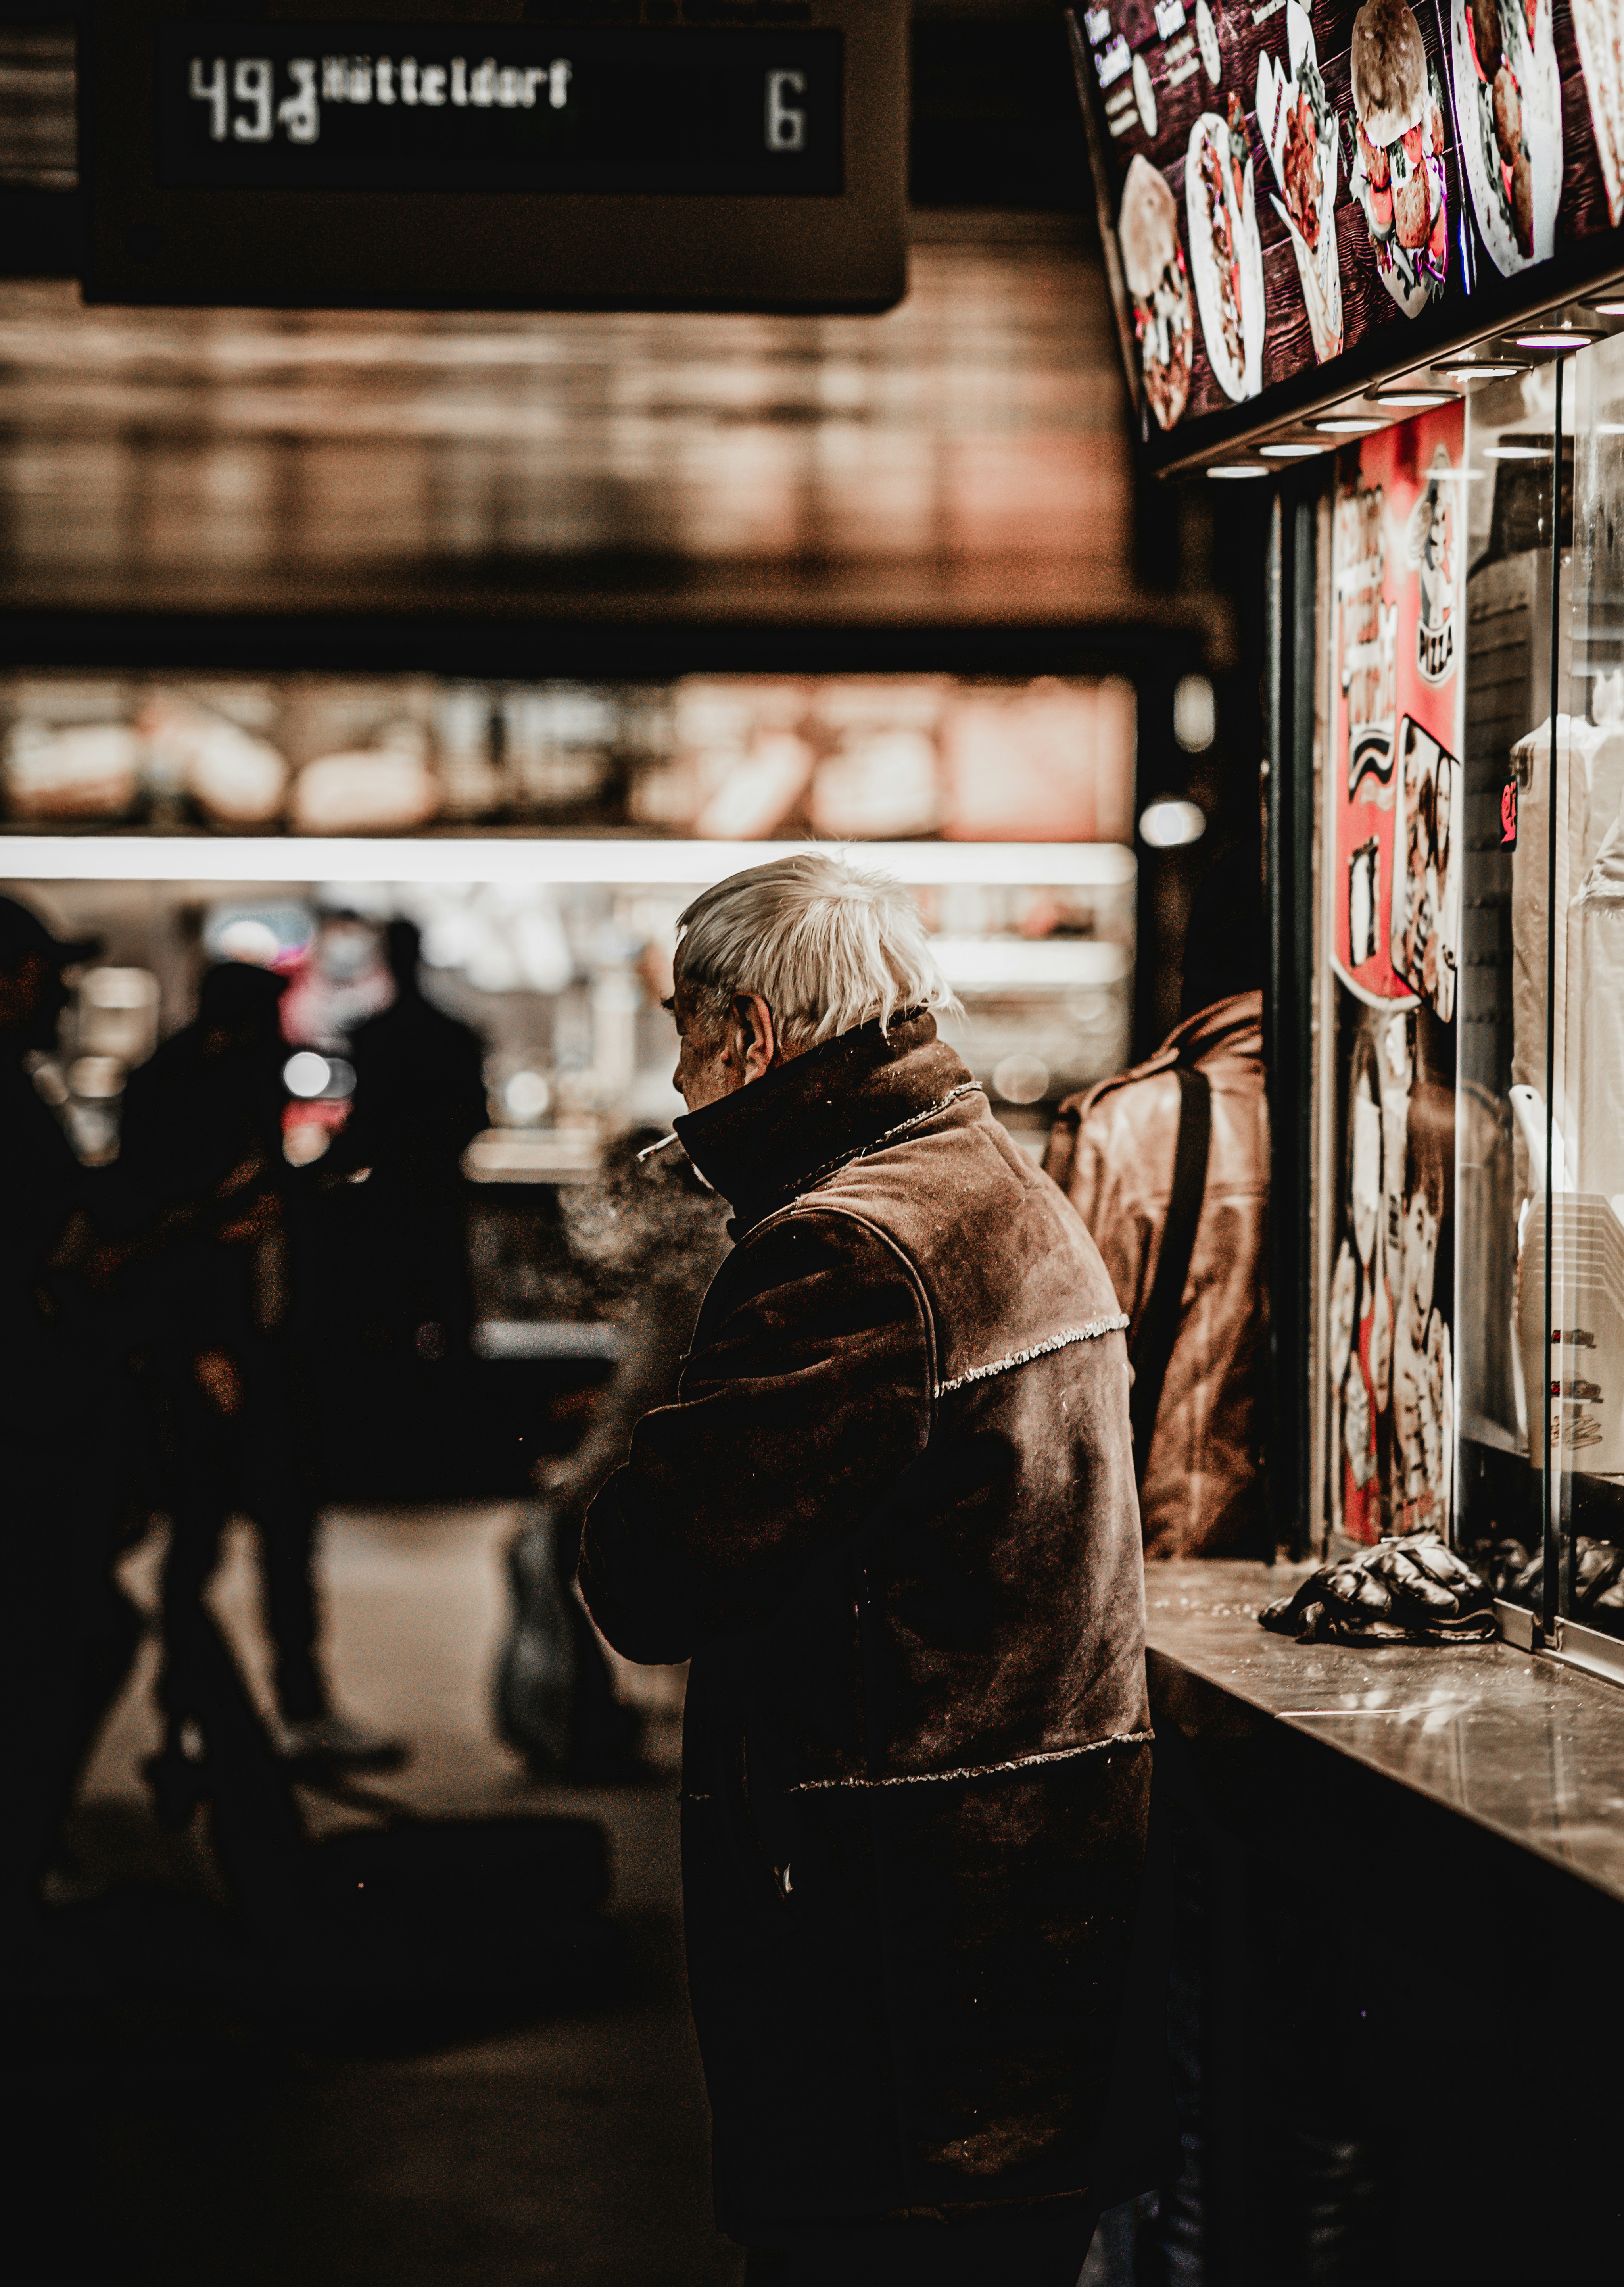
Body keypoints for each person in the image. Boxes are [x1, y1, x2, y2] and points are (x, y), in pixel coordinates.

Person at [578, 853, 1161, 2286]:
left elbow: (657, 1576)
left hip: (900, 1932)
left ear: (752, 1038)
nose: (678, 1074)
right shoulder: (977, 1177)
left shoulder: (847, 1247)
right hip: (1009, 1893)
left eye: (682, 1032)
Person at [118, 960, 399, 1787]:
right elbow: (172, 1232)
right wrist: (202, 1342)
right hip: (224, 1346)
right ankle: (236, 1711)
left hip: (252, 1343)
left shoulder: (196, 1078)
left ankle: (212, 1713)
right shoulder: (194, 1089)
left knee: (244, 1533)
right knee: (236, 1532)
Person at [1044, 845, 1268, 1560]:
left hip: (1164, 1547)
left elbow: (1057, 1385)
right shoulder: (1437, 1118)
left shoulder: (1127, 1126)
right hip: (1392, 1571)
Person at [0, 894, 144, 1932]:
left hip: (41, 1419)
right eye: (37, 971)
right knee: (70, 1638)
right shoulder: (10, 1098)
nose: (53, 990)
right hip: (28, 1430)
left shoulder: (22, 1088)